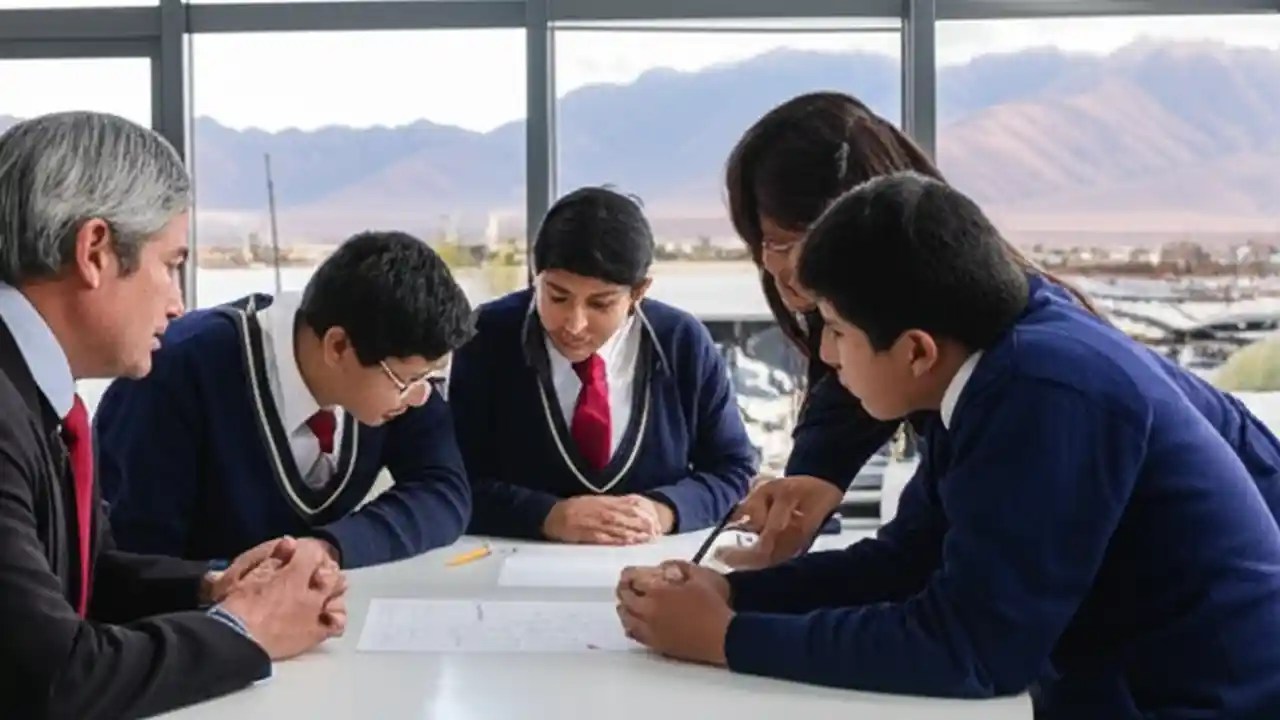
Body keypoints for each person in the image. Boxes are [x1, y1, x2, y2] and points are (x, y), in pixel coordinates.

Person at [616, 172, 1280, 718]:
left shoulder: (1043, 391)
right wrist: (732, 595)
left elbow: (972, 650)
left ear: (915, 350)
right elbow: (910, 561)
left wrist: (726, 639)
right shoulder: (995, 359)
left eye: (838, 331)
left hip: (1196, 702)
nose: (824, 353)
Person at [0, 111, 347, 718]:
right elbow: (54, 677)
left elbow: (87, 575)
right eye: (171, 263)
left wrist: (213, 589)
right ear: (95, 251)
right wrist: (247, 629)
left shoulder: (36, 392)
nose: (178, 303)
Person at [717, 91, 1104, 568]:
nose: (780, 267)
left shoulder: (1028, 378)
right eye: (767, 242)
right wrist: (815, 476)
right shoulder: (965, 345)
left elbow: (976, 619)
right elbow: (918, 561)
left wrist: (738, 631)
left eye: (798, 242)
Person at [95, 230, 475, 569]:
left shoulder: (396, 365)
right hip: (194, 629)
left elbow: (443, 490)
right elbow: (135, 565)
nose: (420, 397)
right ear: (338, 346)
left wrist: (330, 547)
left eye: (429, 379)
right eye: (407, 381)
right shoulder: (174, 373)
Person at [449, 186, 755, 543]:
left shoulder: (681, 342)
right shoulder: (489, 336)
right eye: (557, 296)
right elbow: (450, 480)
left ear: (638, 292)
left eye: (600, 304)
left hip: (653, 564)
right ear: (537, 275)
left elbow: (733, 470)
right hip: (508, 563)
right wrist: (548, 516)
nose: (574, 324)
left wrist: (662, 511)